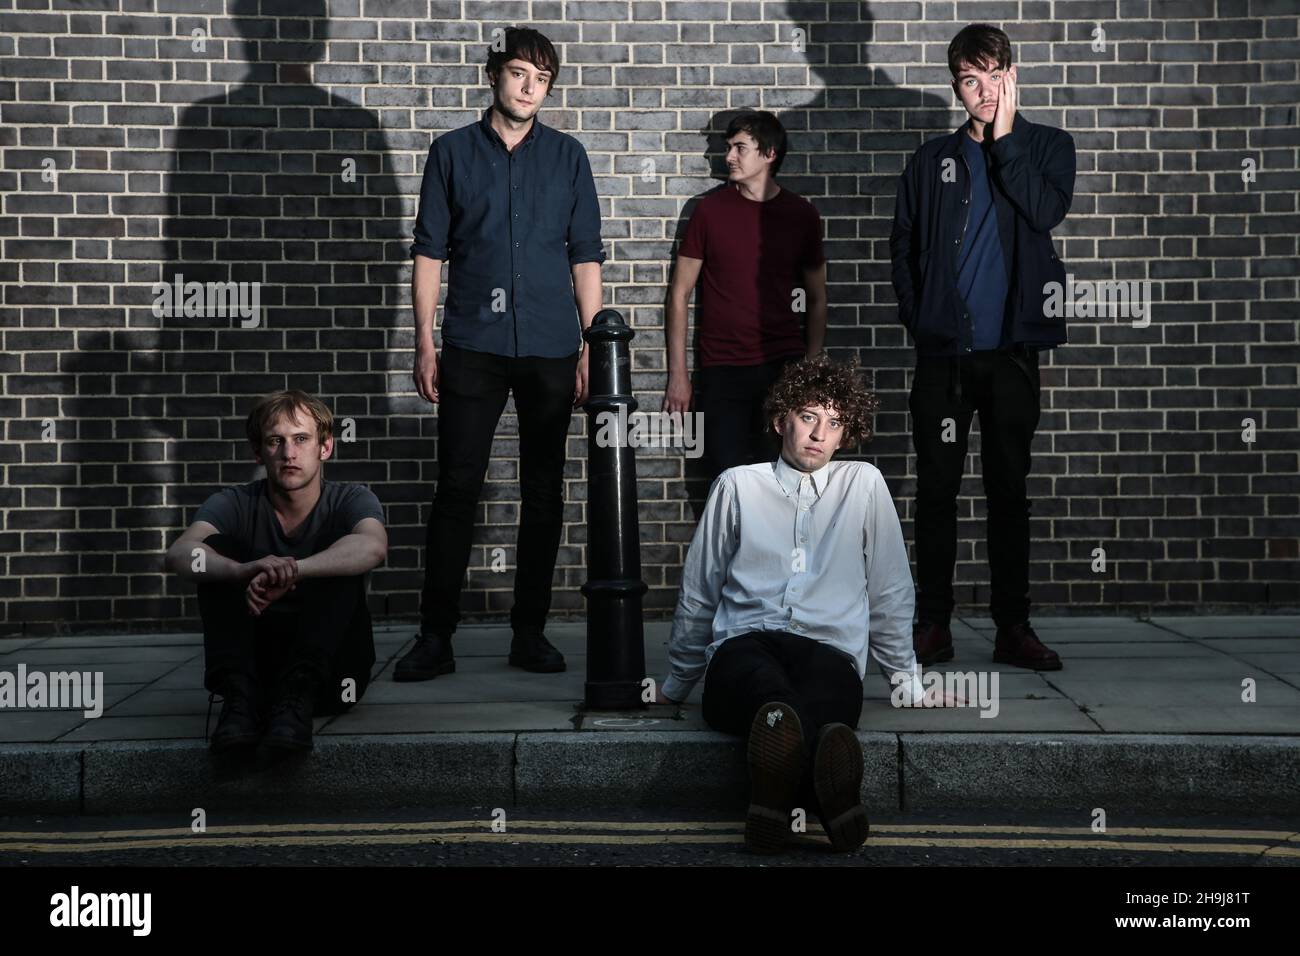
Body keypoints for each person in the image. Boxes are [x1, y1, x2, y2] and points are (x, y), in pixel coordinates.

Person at [655, 357, 932, 854]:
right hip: (745, 645)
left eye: (833, 423)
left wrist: (905, 679)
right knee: (770, 692)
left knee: (821, 702)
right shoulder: (738, 485)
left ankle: (774, 800)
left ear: (845, 435)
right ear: (782, 420)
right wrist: (679, 680)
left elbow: (889, 588)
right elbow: (701, 588)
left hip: (827, 650)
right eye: (808, 417)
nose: (818, 433)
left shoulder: (864, 486)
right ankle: (826, 799)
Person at [401, 27, 605, 681]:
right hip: (471, 345)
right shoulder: (452, 153)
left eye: (541, 79)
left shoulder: (569, 157)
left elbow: (586, 257)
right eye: (519, 73)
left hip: (550, 346)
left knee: (544, 491)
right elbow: (430, 252)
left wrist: (591, 344)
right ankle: (435, 637)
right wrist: (425, 341)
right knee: (456, 489)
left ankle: (530, 632)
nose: (529, 87)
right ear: (495, 75)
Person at [890, 23, 1076, 671]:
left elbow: (1044, 212)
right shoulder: (930, 160)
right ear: (956, 88)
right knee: (937, 492)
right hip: (944, 357)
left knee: (1008, 491)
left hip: (1012, 357)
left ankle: (1013, 628)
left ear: (1012, 76)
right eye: (971, 80)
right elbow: (904, 247)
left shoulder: (1049, 147)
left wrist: (1005, 139)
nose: (984, 90)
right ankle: (933, 625)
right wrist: (921, 321)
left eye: (994, 76)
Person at [164, 390, 388, 753]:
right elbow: (178, 554)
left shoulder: (351, 499)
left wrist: (295, 572)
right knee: (217, 552)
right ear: (258, 452)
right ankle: (239, 699)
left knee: (342, 545)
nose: (289, 453)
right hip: (258, 677)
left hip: (330, 676)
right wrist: (242, 571)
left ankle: (297, 696)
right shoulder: (236, 502)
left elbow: (373, 547)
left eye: (301, 439)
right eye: (275, 441)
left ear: (325, 447)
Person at [663, 110, 827, 484]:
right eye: (727, 148)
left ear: (769, 154)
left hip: (783, 369)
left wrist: (811, 369)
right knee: (727, 482)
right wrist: (678, 376)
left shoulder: (800, 214)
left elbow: (817, 298)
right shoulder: (708, 211)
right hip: (723, 370)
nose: (728, 157)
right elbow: (679, 294)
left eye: (740, 148)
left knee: (784, 483)